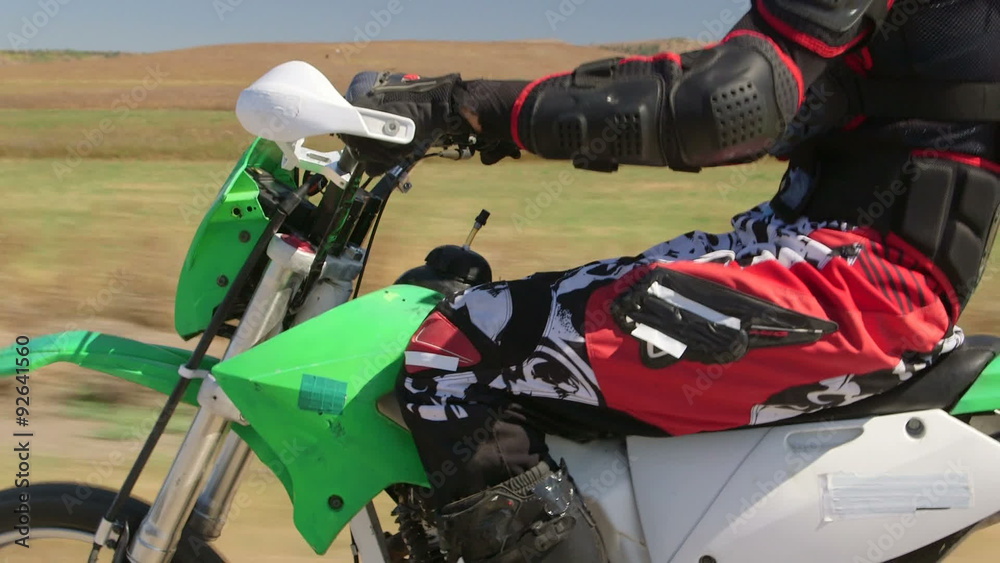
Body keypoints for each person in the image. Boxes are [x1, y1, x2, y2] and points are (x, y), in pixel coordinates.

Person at [344, 0, 1000, 561]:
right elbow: (773, 110)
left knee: (456, 352)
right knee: (501, 314)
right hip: (809, 255)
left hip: (854, 287)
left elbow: (724, 103)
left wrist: (469, 108)